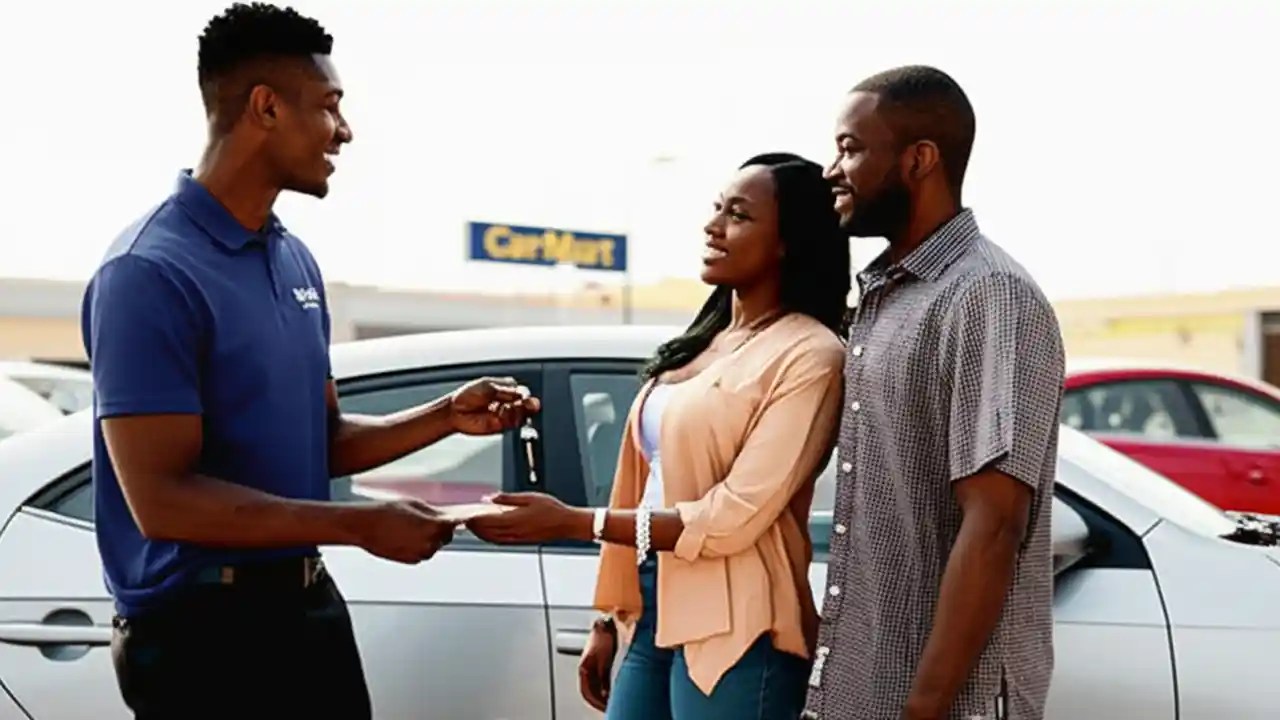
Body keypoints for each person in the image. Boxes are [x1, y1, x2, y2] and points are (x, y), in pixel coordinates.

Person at [81, 4, 539, 719]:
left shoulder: (294, 259)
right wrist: (359, 525)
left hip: (307, 609)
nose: (344, 130)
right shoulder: (148, 272)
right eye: (329, 105)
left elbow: (320, 442)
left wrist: (445, 416)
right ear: (266, 107)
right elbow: (162, 499)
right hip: (199, 637)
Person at [466, 152, 851, 719]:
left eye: (738, 215)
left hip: (737, 623)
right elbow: (641, 483)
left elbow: (732, 517)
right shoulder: (703, 341)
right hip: (652, 605)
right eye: (717, 208)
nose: (713, 226)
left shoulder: (811, 354)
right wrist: (608, 616)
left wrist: (574, 521)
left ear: (788, 243)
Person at [801, 65, 1065, 720]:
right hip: (863, 689)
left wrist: (923, 709)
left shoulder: (987, 294)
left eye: (850, 149)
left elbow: (994, 524)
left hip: (948, 705)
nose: (832, 171)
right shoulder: (886, 295)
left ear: (919, 160)